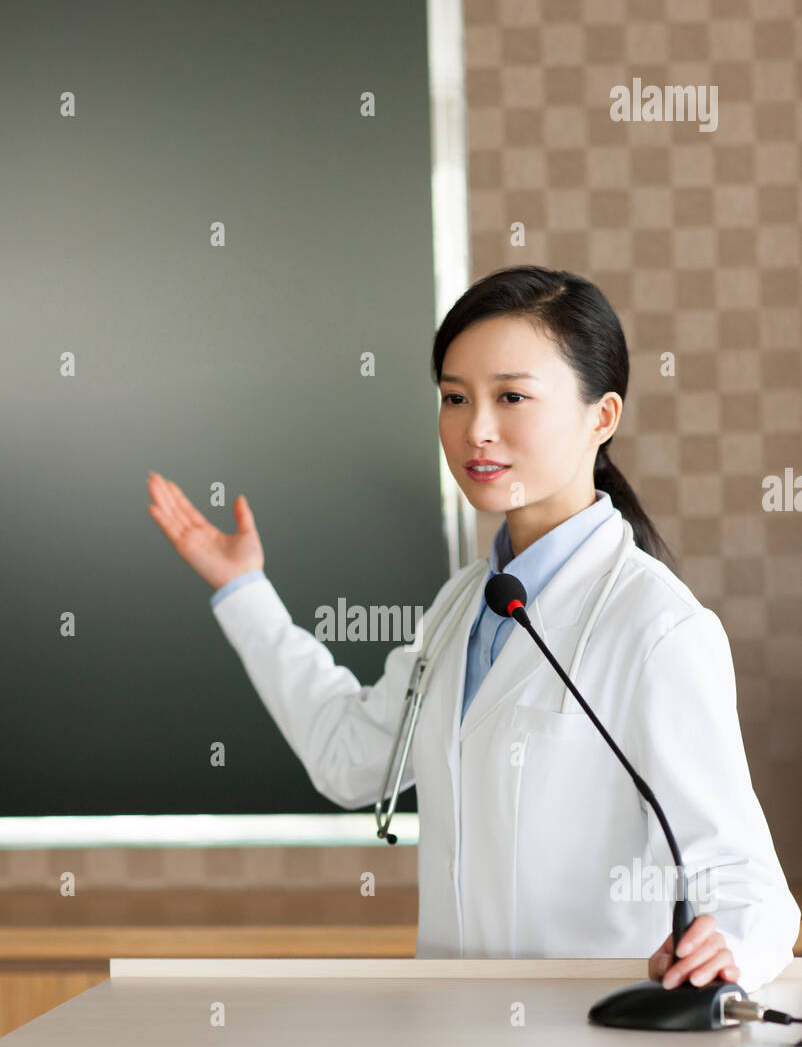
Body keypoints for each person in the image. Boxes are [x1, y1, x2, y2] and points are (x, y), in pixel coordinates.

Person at [146, 264, 799, 993]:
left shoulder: (655, 626)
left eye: (511, 396)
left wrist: (724, 951)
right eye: (455, 398)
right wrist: (244, 591)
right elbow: (347, 758)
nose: (476, 430)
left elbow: (748, 888)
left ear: (602, 416)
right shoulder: (465, 603)